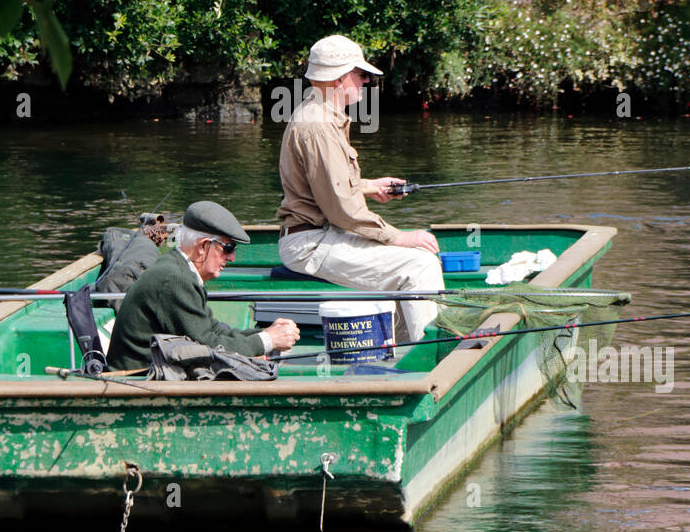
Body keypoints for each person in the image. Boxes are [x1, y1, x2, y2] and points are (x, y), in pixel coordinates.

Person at [276, 34, 444, 343]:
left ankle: (400, 353)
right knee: (420, 265)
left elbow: (326, 186)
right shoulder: (318, 127)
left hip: (320, 235)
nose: (366, 81)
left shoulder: (318, 114)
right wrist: (401, 236)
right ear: (339, 79)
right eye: (361, 74)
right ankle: (429, 357)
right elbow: (342, 210)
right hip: (311, 243)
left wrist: (368, 186)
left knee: (408, 263)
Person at [107, 200, 300, 371]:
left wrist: (265, 333)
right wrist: (268, 341)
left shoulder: (180, 269)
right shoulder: (175, 279)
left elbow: (215, 331)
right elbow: (211, 348)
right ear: (203, 246)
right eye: (228, 248)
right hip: (135, 382)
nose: (232, 258)